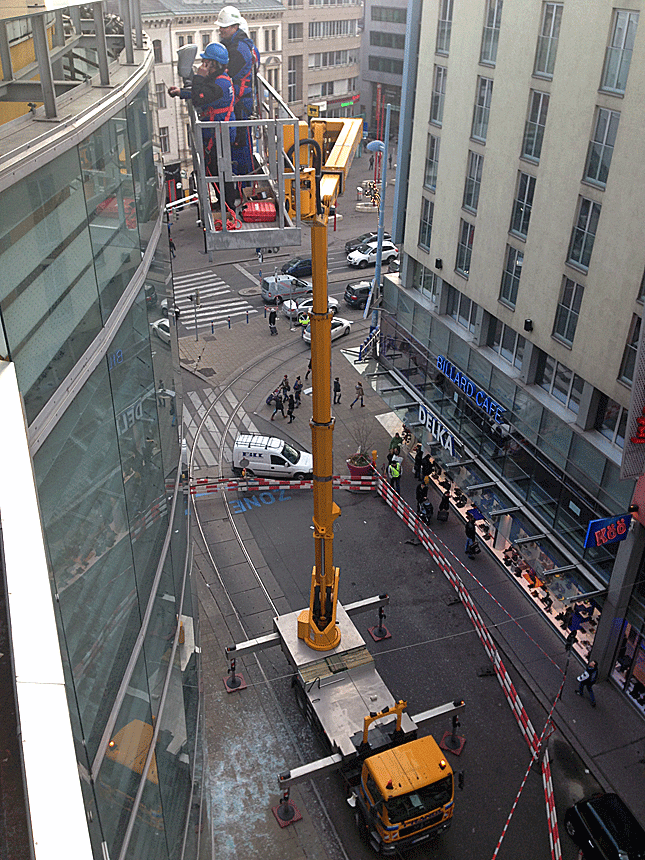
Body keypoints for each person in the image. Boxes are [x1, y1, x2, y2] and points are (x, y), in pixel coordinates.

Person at [168, 42, 237, 208]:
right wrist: (181, 93)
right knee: (216, 170)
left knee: (219, 171)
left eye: (206, 62)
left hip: (220, 134)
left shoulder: (221, 84)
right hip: (218, 132)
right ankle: (224, 203)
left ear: (213, 63)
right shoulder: (218, 80)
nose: (203, 65)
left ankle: (227, 205)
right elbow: (200, 94)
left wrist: (198, 76)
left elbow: (200, 97)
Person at [217, 6, 260, 181]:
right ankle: (243, 185)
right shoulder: (241, 46)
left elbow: (226, 75)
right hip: (240, 101)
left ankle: (246, 186)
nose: (220, 30)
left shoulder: (238, 50)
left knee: (241, 146)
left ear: (235, 27)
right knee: (238, 144)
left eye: (224, 26)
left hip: (240, 104)